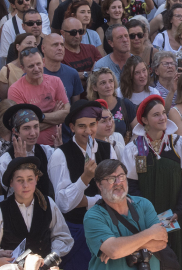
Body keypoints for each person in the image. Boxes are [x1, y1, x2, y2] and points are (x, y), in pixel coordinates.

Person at [121, 95, 182, 269]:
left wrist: (178, 212)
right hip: (146, 218)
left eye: (163, 113)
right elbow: (132, 187)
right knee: (152, 259)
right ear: (145, 120)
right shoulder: (134, 149)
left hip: (175, 215)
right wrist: (148, 217)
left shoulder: (180, 145)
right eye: (156, 115)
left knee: (175, 258)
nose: (162, 118)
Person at [48, 100, 118, 270]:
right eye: (82, 126)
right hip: (77, 231)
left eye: (92, 125)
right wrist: (85, 178)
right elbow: (64, 204)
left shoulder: (107, 149)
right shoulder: (60, 155)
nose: (88, 131)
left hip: (106, 227)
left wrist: (87, 201)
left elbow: (116, 191)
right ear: (72, 127)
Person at [82, 159, 170, 270]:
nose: (118, 182)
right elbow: (114, 251)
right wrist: (150, 233)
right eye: (111, 179)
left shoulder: (144, 204)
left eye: (121, 176)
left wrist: (121, 248)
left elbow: (161, 242)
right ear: (99, 185)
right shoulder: (93, 216)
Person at [0, 157, 73, 259]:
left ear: (36, 179)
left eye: (30, 179)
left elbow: (62, 236)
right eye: (20, 180)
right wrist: (1, 255)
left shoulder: (48, 204)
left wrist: (53, 254)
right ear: (11, 182)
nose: (26, 185)